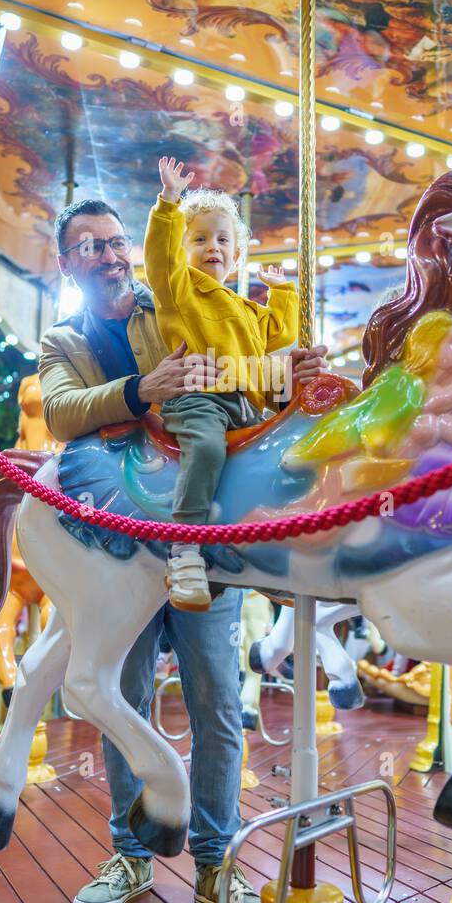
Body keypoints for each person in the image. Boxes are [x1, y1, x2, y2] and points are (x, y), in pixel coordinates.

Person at [39, 195, 326, 903]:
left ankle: (213, 861)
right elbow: (61, 410)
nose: (107, 255)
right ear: (67, 262)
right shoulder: (64, 339)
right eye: (89, 247)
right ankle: (132, 854)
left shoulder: (168, 305)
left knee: (217, 706)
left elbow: (246, 376)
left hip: (199, 543)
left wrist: (285, 366)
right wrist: (143, 390)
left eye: (113, 242)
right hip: (123, 548)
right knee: (121, 698)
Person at [144, 156, 299, 609]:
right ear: (183, 249)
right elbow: (159, 257)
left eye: (222, 239)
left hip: (246, 404)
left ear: (236, 255)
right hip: (199, 401)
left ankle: (270, 544)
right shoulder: (181, 289)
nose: (213, 246)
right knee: (208, 448)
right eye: (199, 238)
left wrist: (283, 292)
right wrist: (170, 204)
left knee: (282, 456)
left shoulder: (246, 310)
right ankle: (185, 546)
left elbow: (282, 333)